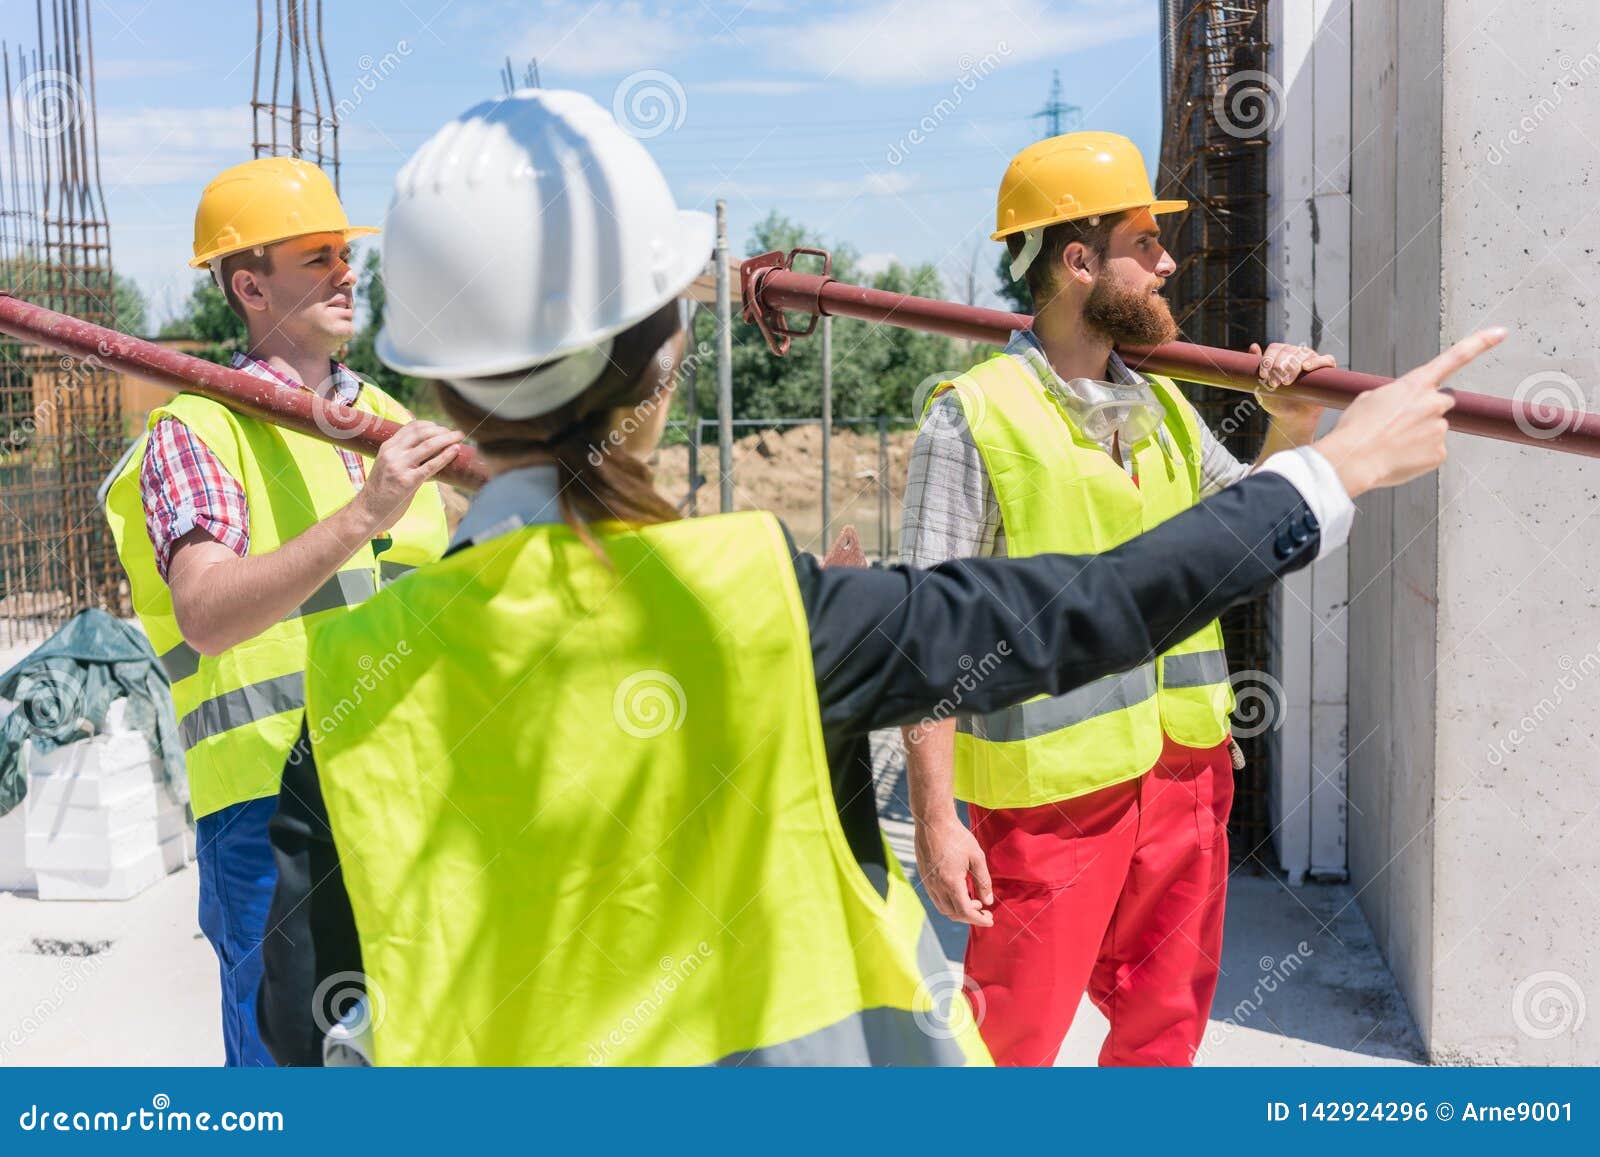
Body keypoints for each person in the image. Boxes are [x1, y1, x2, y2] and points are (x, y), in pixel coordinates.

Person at [255, 90, 1500, 1066]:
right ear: (661, 362)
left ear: (438, 383)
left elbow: (302, 1028)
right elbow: (1078, 608)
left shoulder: (363, 667)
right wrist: (1331, 473)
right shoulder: (755, 598)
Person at [899, 130, 1366, 1067]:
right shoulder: (973, 416)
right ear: (1080, 261)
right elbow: (927, 642)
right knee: (1008, 1045)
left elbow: (1253, 538)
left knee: (1165, 1035)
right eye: (1145, 242)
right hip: (1050, 807)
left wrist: (1292, 426)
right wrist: (938, 821)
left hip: (1186, 778)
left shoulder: (1161, 408)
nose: (1167, 262)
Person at [102, 157, 456, 1067]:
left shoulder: (386, 421)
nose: (348, 273)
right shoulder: (199, 430)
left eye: (346, 253)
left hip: (403, 795)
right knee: (284, 1074)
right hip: (267, 811)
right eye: (318, 259)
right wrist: (364, 511)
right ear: (250, 285)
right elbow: (208, 612)